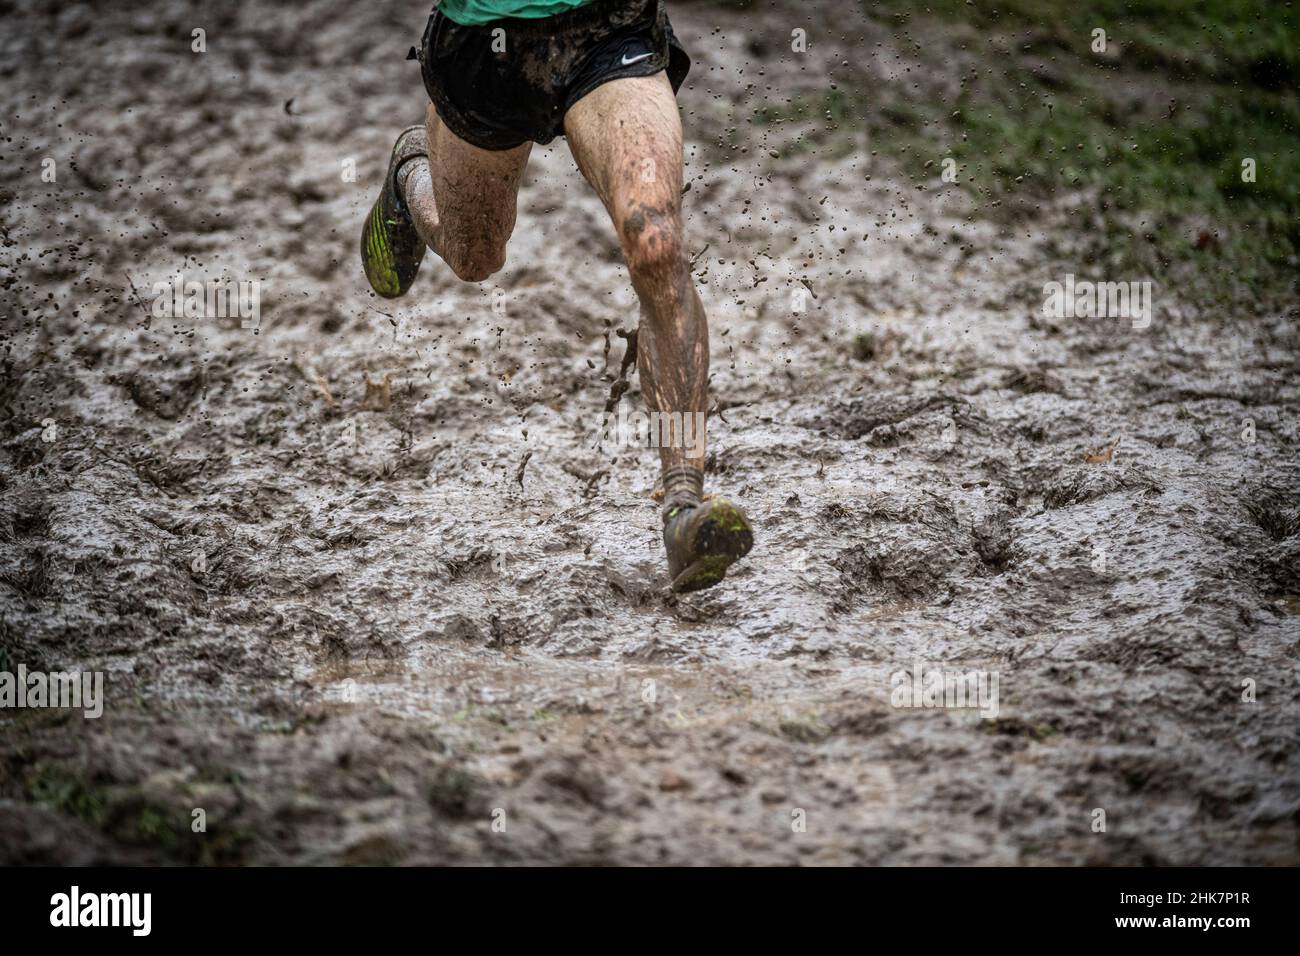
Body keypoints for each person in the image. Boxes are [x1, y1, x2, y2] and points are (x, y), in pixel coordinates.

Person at [360, 0, 753, 591]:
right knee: (474, 256)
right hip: (483, 42)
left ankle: (682, 508)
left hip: (608, 28)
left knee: (656, 244)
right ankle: (411, 174)